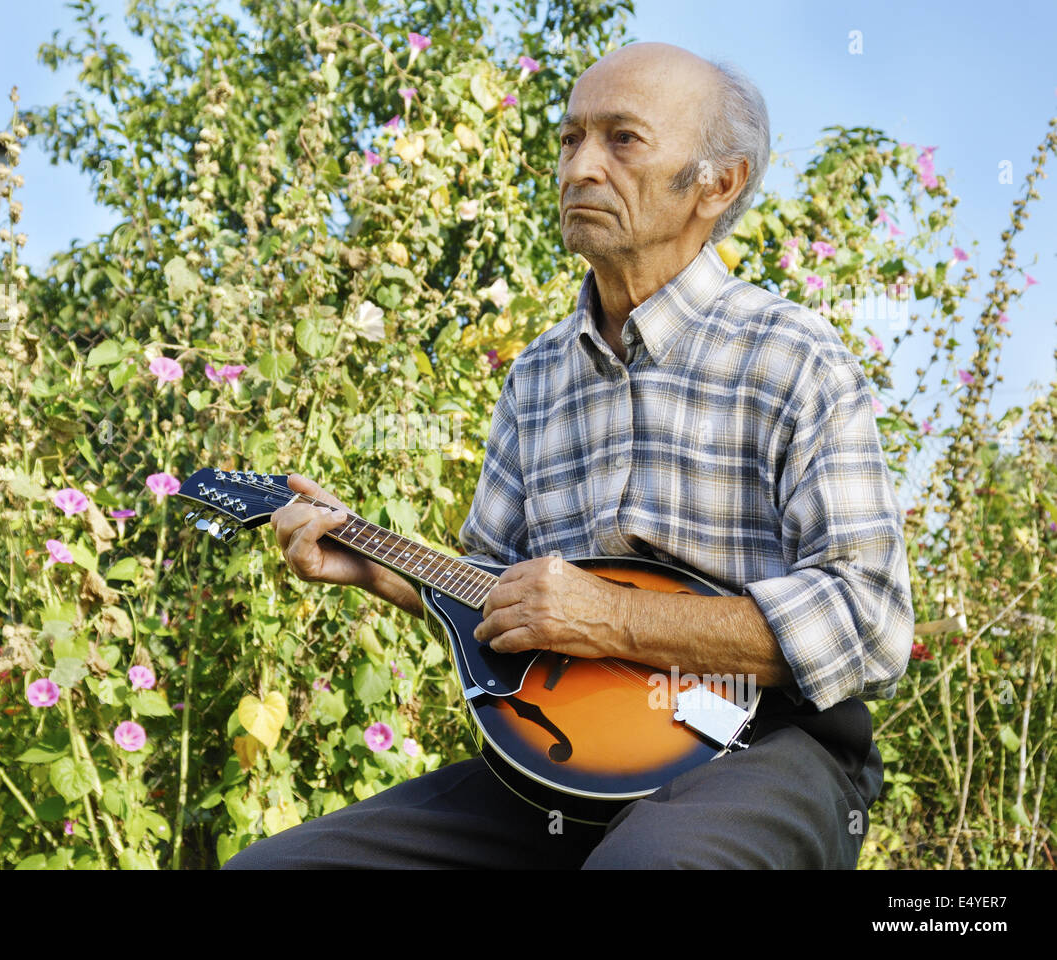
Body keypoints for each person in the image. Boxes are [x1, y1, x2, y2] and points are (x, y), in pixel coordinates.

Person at [224, 41, 914, 869]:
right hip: (578, 758)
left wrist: (616, 619)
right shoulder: (537, 376)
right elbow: (493, 592)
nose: (580, 167)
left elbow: (870, 623)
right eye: (569, 140)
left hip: (766, 744)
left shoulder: (792, 355)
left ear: (717, 183)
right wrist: (369, 563)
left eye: (622, 139)